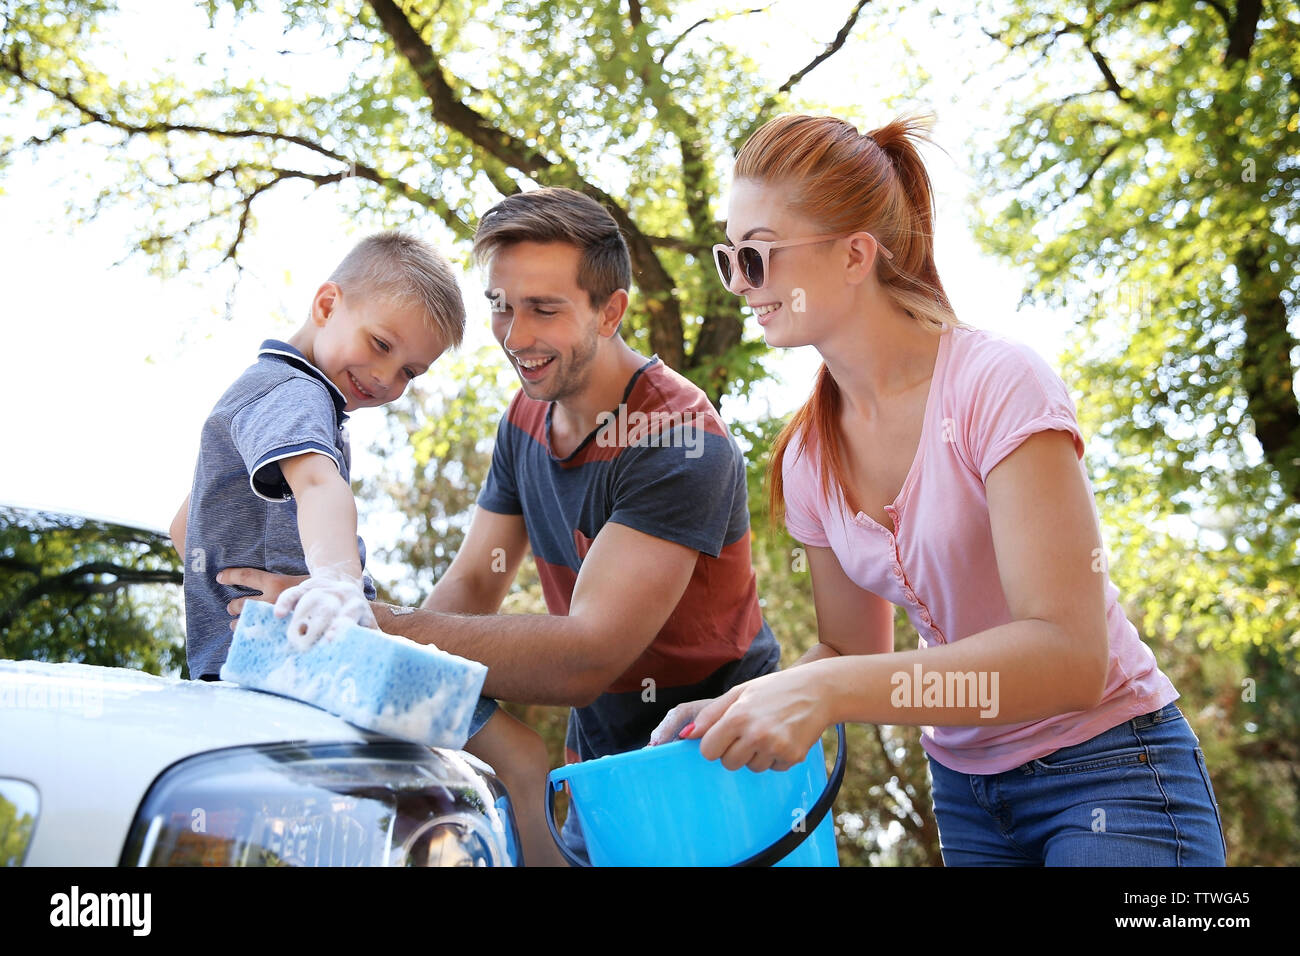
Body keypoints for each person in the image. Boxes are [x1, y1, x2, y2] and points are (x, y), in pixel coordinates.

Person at [651, 113, 1228, 866]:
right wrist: (745, 704)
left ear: (856, 255)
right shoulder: (805, 456)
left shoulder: (997, 386)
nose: (738, 286)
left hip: (1111, 767)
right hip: (966, 794)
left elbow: (1071, 657)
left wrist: (826, 695)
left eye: (756, 258)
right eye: (729, 260)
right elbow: (851, 648)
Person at [216, 187, 782, 864]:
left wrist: (357, 617)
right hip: (598, 775)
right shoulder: (524, 419)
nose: (515, 337)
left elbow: (587, 658)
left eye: (543, 310)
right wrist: (372, 672)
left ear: (611, 312)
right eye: (500, 307)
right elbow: (470, 589)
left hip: (719, 773)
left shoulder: (679, 442)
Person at [167, 231, 564, 866]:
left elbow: (185, 524)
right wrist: (334, 584)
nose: (385, 377)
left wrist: (229, 598)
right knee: (523, 756)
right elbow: (321, 485)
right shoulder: (294, 393)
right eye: (381, 345)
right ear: (327, 305)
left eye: (409, 370)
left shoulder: (260, 392)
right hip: (307, 652)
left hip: (268, 657)